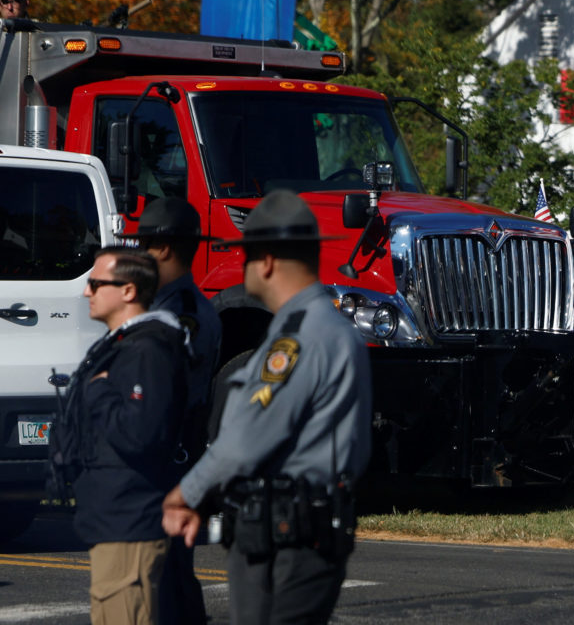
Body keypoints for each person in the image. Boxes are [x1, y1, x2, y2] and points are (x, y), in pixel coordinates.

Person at [161, 190, 371, 625]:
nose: (242, 266)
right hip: (304, 530)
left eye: (245, 255)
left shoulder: (297, 338)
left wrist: (187, 493)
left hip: (284, 540)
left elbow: (244, 440)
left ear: (268, 261)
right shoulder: (330, 328)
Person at [60, 247, 190, 625]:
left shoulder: (148, 350)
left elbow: (140, 434)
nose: (87, 291)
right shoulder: (124, 345)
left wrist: (99, 392)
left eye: (97, 283)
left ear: (129, 291)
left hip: (130, 523)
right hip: (112, 521)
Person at [134, 197, 222, 625]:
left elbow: (159, 391)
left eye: (143, 243)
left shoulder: (182, 314)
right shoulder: (166, 307)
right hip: (167, 456)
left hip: (170, 457)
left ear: (164, 248)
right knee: (167, 576)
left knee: (163, 578)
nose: (139, 253)